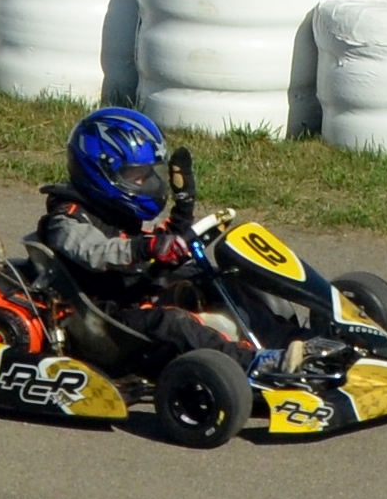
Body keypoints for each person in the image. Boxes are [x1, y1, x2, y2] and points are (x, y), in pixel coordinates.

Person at [36, 106, 304, 378]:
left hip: (137, 291)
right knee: (173, 323)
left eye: (149, 174)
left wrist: (184, 206)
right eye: (136, 175)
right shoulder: (66, 220)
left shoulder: (111, 212)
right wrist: (146, 248)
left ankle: (295, 344)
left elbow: (161, 242)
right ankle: (255, 364)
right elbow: (97, 252)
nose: (146, 182)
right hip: (106, 323)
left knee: (215, 278)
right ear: (101, 171)